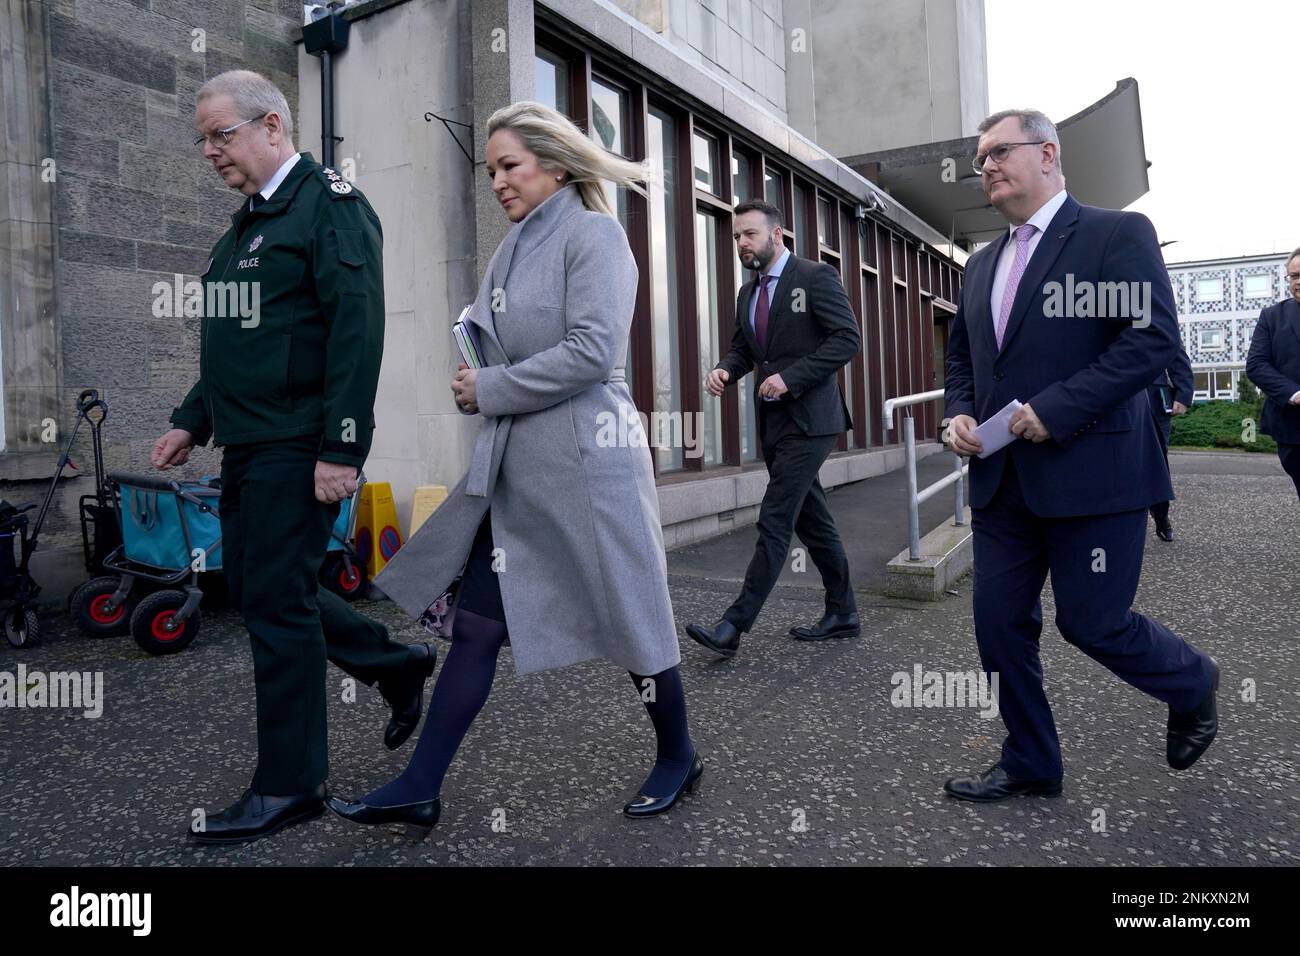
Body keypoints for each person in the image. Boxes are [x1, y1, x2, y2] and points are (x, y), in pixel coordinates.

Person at [327, 101, 701, 836]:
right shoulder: (512, 249)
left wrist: (490, 387)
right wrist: (472, 378)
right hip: (516, 470)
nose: (497, 181)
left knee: (634, 620)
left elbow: (595, 352)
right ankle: (418, 785)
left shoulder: (594, 237)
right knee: (474, 628)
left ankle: (679, 754)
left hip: (589, 470)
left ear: (555, 164)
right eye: (490, 168)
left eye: (509, 166)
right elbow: (496, 343)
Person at [152, 71, 435, 845]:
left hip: (297, 442)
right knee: (256, 585)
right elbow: (233, 341)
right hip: (247, 438)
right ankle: (394, 663)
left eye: (221, 134)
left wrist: (342, 447)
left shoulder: (328, 207)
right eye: (203, 138)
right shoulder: (247, 224)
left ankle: (289, 785)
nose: (210, 150)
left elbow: (356, 330)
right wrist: (190, 418)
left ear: (271, 126)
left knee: (276, 604)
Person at [942, 108, 1219, 803]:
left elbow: (1149, 340)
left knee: (1093, 623)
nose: (988, 167)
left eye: (1000, 151)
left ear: (1047, 153)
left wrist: (1054, 411)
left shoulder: (1112, 235)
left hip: (1095, 475)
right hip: (1002, 482)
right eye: (980, 159)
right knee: (998, 630)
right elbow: (963, 362)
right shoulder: (980, 266)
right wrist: (959, 414)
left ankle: (1194, 682)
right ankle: (1031, 759)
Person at [684, 200, 861, 659]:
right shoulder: (748, 294)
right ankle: (843, 612)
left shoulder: (814, 277)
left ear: (776, 235)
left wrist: (792, 377)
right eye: (736, 237)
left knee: (776, 516)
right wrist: (725, 369)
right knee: (812, 520)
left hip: (812, 420)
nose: (741, 243)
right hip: (776, 425)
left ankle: (732, 626)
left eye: (749, 235)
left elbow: (847, 338)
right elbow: (744, 349)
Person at [1245, 247, 1300, 499]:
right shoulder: (1272, 317)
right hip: (1293, 427)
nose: (1298, 282)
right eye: (1294, 276)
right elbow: (1256, 364)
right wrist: (1295, 394)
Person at [1147, 345, 1193, 540]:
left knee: (1156, 462)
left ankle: (1161, 515)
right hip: (1115, 395)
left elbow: (1171, 344)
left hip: (1156, 399)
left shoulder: (1154, 314)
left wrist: (1183, 393)